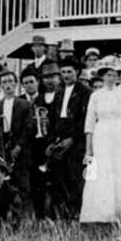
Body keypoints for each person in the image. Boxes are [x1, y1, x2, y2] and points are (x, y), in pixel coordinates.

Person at [79, 62, 121, 223]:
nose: (111, 78)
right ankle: (98, 213)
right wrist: (88, 149)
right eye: (108, 74)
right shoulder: (95, 96)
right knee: (100, 170)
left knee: (118, 170)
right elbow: (89, 123)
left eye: (114, 74)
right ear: (102, 76)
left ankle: (118, 212)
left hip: (119, 136)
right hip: (101, 136)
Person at [46, 57, 89, 219]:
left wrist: (72, 139)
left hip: (76, 143)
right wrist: (52, 140)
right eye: (63, 72)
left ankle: (76, 214)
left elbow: (84, 120)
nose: (66, 75)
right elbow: (52, 119)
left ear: (77, 72)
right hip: (60, 140)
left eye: (69, 72)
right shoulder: (59, 93)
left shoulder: (85, 92)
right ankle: (63, 216)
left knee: (76, 180)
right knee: (60, 181)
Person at [0, 69, 34, 198]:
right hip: (3, 146)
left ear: (16, 84)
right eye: (4, 82)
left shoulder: (24, 104)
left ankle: (25, 215)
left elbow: (28, 128)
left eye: (10, 81)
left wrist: (19, 146)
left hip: (20, 147)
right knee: (5, 182)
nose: (8, 85)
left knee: (23, 182)